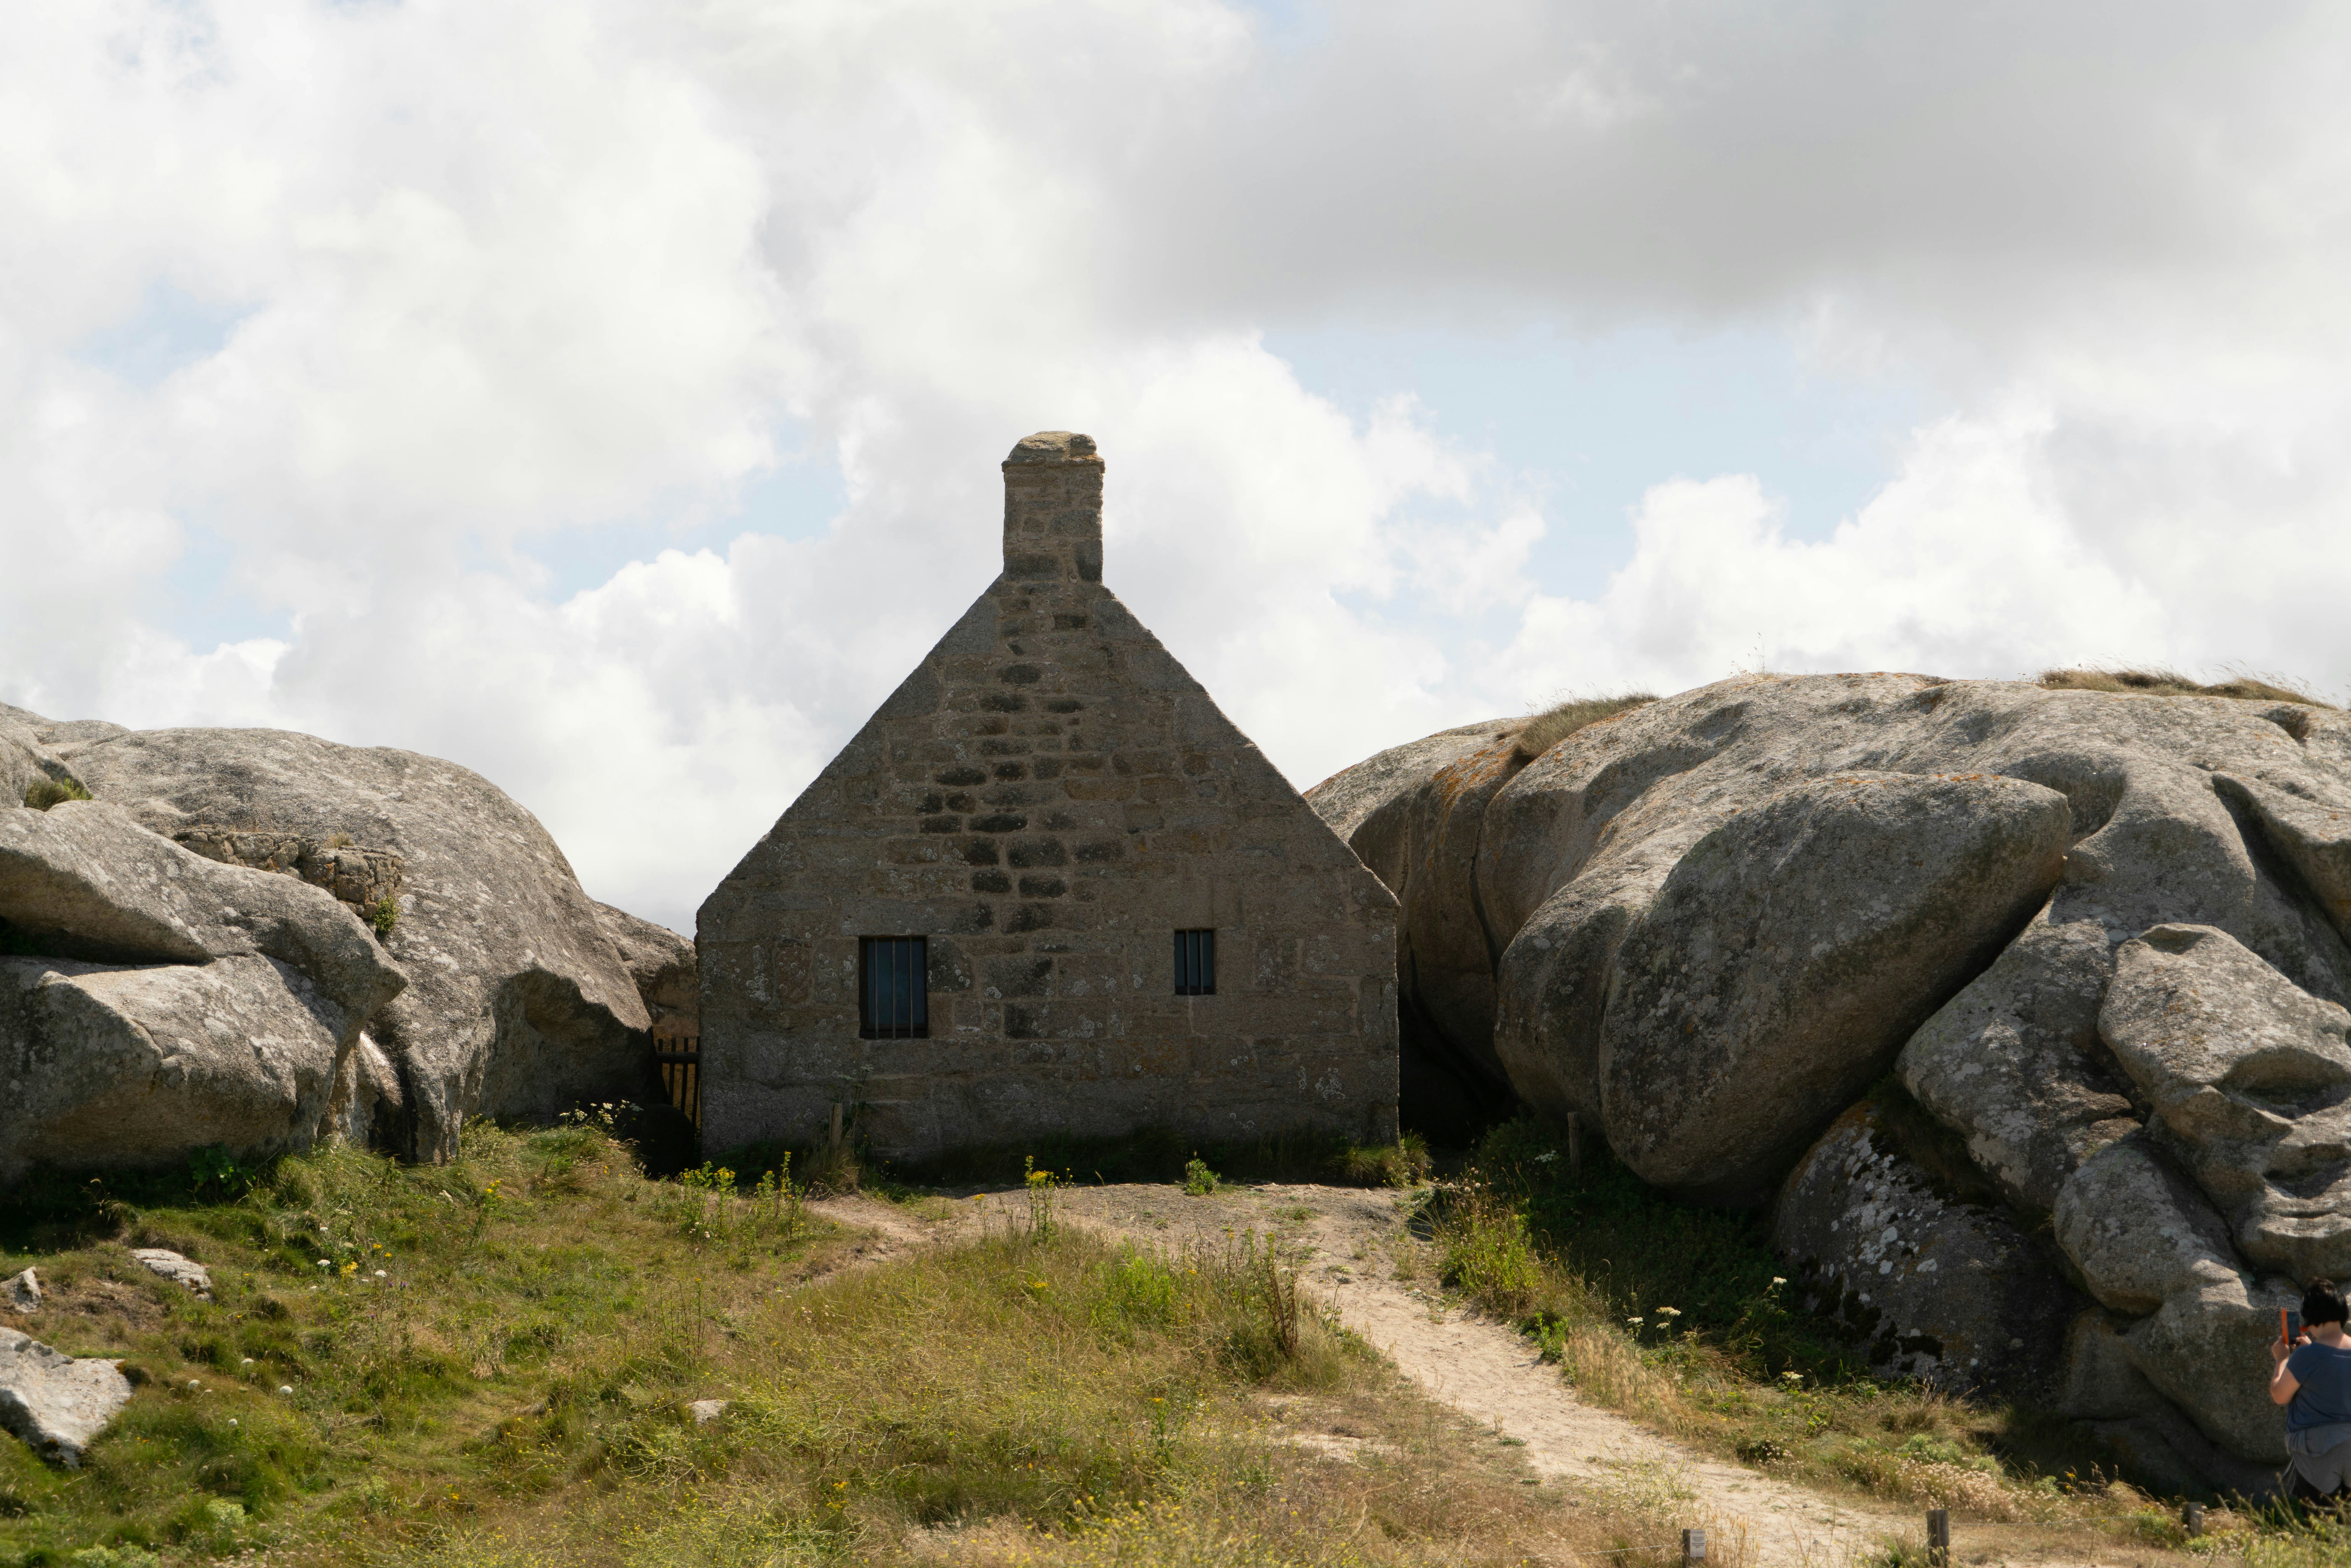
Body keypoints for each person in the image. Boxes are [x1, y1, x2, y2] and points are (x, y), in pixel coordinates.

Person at [2272, 1280, 2351, 1501]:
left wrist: (2282, 1360)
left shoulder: (2307, 1356)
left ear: (2310, 1318)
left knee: (2320, 1525)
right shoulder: (2311, 1354)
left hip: (2317, 1452)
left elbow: (2280, 1395)